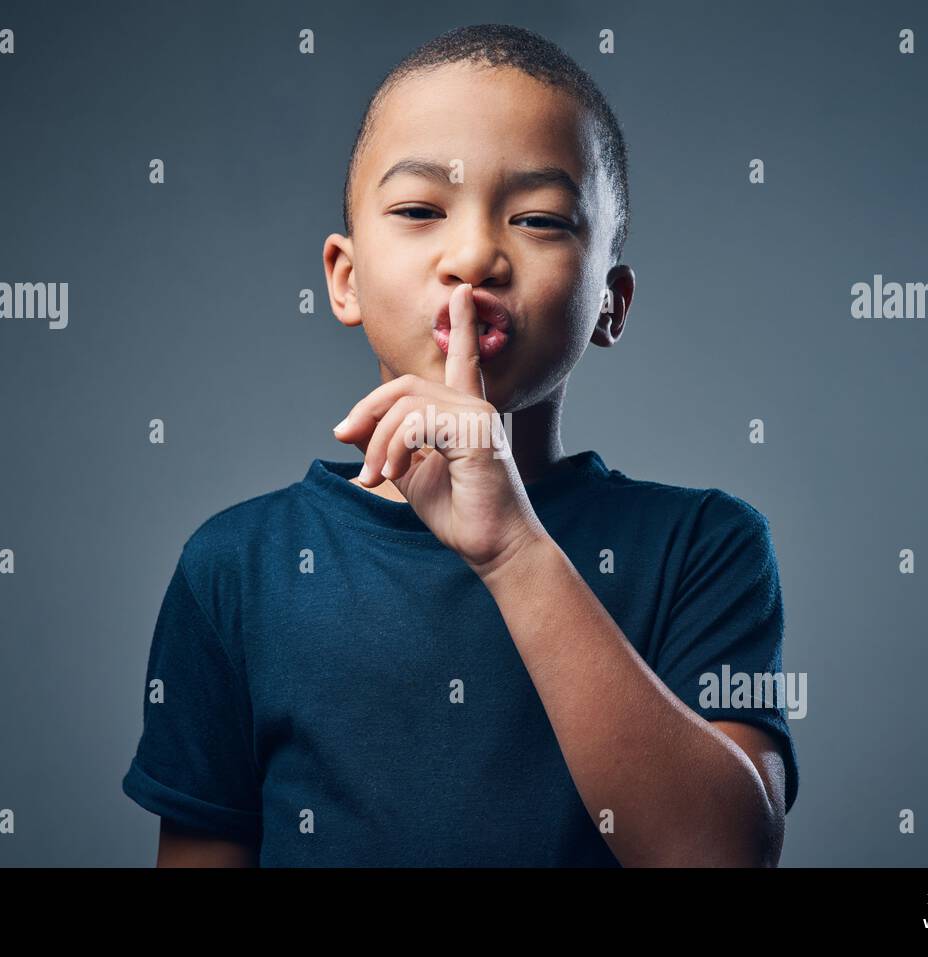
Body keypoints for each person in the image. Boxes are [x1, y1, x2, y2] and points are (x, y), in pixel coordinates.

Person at [123, 23, 798, 867]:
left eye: (541, 218)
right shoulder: (235, 567)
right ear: (345, 277)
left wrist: (513, 549)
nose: (475, 255)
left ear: (611, 305)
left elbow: (723, 857)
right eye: (417, 211)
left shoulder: (706, 546)